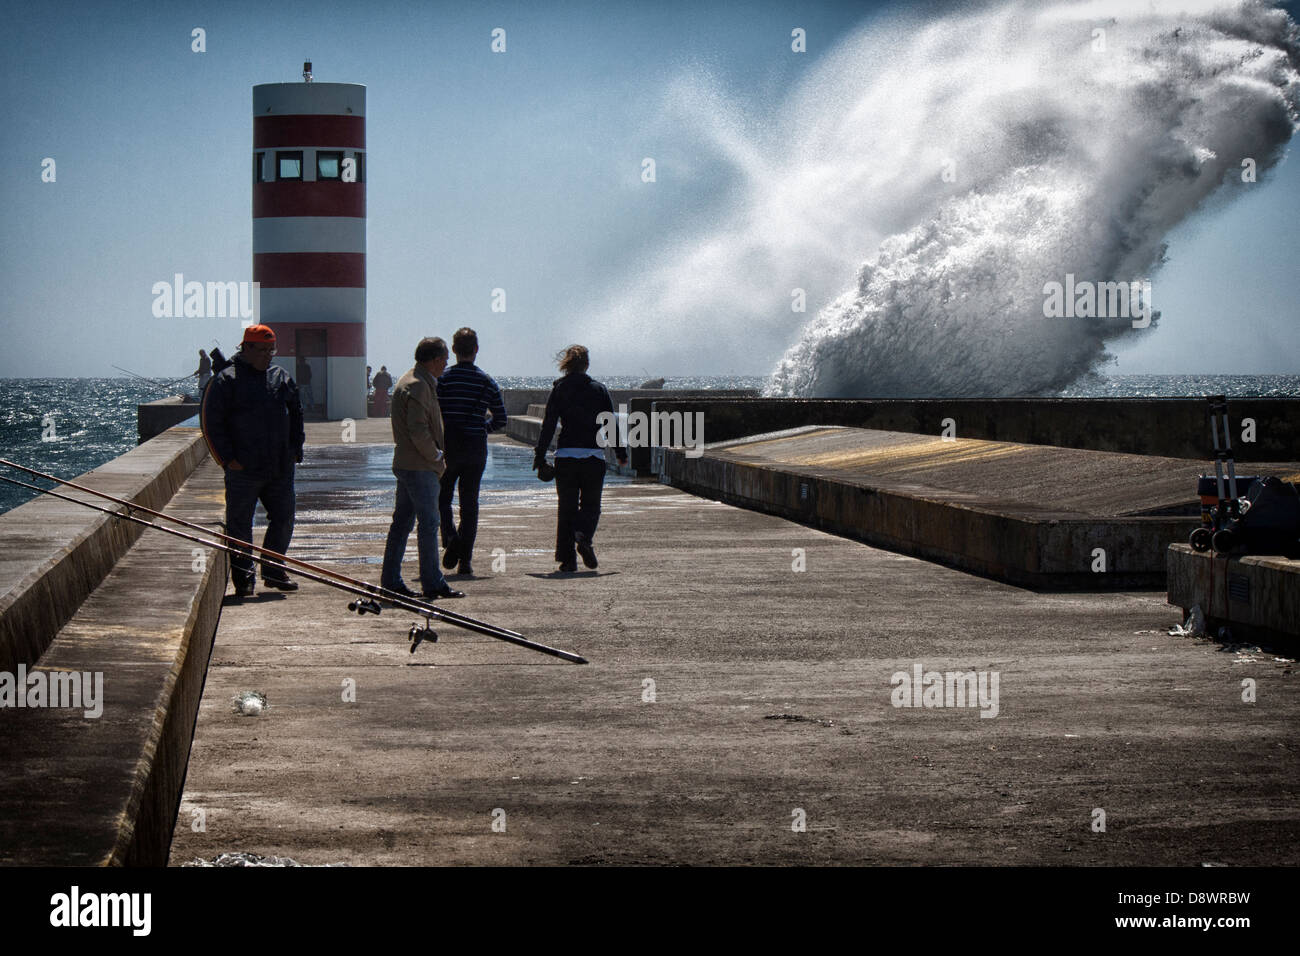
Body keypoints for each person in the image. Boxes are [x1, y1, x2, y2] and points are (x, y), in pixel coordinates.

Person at [200, 325, 305, 597]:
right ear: (246, 348)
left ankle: (273, 569)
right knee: (239, 525)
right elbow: (211, 424)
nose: (268, 356)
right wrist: (227, 460)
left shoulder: (280, 376)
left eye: (272, 350)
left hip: (280, 467)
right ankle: (244, 579)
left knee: (284, 519)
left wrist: (296, 449)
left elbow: (296, 413)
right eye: (263, 350)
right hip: (243, 469)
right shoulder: (226, 380)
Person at [380, 338, 464, 600]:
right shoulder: (418, 386)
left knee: (402, 524)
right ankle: (433, 582)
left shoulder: (412, 380)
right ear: (435, 359)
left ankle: (391, 580)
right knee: (429, 524)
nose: (446, 364)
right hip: (419, 466)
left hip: (408, 463)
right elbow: (418, 430)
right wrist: (437, 456)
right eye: (444, 359)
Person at [534, 345, 626, 573]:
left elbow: (548, 424)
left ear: (567, 363)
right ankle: (583, 535)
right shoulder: (598, 390)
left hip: (566, 457)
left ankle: (567, 561)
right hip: (593, 457)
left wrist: (539, 455)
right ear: (587, 364)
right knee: (591, 505)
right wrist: (621, 453)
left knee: (566, 508)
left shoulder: (560, 389)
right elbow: (609, 424)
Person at [436, 327, 508, 576]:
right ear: (476, 350)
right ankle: (465, 561)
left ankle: (450, 538)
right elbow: (501, 419)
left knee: (442, 497)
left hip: (449, 445)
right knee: (470, 504)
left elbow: (434, 414)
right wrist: (482, 428)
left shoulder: (443, 380)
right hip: (476, 446)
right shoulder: (487, 381)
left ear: (454, 350)